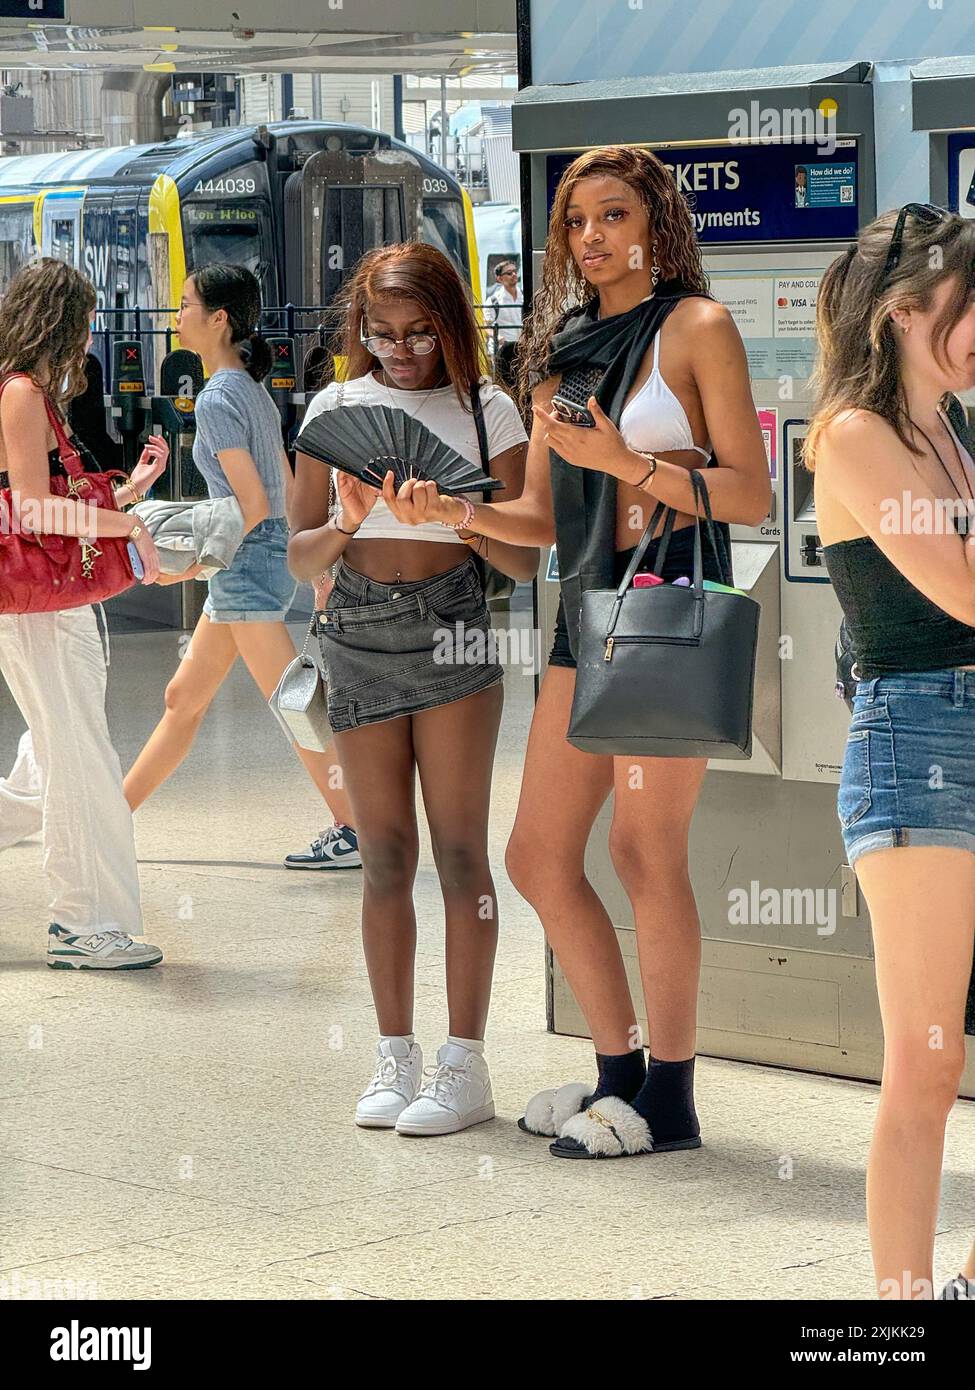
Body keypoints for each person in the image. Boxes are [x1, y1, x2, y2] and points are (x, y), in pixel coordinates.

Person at [390, 145, 770, 1158]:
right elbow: (548, 521)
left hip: (668, 608)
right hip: (584, 614)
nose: (593, 236)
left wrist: (629, 458)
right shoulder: (562, 346)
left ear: (657, 224)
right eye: (576, 222)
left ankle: (675, 1102)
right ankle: (620, 1073)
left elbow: (749, 493)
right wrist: (448, 512)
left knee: (645, 852)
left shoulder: (699, 328)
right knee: (537, 854)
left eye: (613, 215)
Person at [288, 242, 536, 1134]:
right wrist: (346, 521)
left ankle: (463, 1065)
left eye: (420, 334)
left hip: (455, 627)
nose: (399, 351)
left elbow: (523, 552)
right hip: (353, 628)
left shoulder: (488, 412)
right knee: (384, 855)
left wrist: (460, 516)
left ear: (450, 327)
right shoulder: (333, 405)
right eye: (380, 332)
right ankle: (394, 1054)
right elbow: (298, 554)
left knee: (461, 854)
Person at [807, 203, 975, 1299]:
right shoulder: (855, 435)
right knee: (926, 1058)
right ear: (908, 312)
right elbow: (964, 591)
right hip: (918, 741)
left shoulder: (953, 429)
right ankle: (899, 1310)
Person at [121, 264, 359, 868]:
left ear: (218, 319)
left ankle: (355, 825)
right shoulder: (247, 389)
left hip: (247, 563)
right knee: (184, 696)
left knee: (293, 698)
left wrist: (186, 563)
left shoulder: (218, 396)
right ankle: (112, 819)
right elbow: (280, 480)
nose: (177, 317)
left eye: (185, 305)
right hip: (261, 558)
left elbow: (252, 503)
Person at [0, 258, 166, 969]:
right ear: (63, 321)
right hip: (40, 606)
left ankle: (85, 918)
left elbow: (41, 502)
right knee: (78, 760)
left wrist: (127, 495)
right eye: (87, 319)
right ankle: (81, 923)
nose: (93, 333)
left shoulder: (29, 393)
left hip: (45, 601)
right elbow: (33, 510)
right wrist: (127, 527)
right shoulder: (21, 394)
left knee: (50, 759)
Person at [485, 261, 522, 389]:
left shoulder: (524, 296)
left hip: (520, 349)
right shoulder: (493, 301)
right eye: (509, 273)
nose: (514, 275)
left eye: (515, 271)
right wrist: (498, 337)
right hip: (502, 352)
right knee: (504, 387)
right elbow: (487, 327)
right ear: (499, 278)